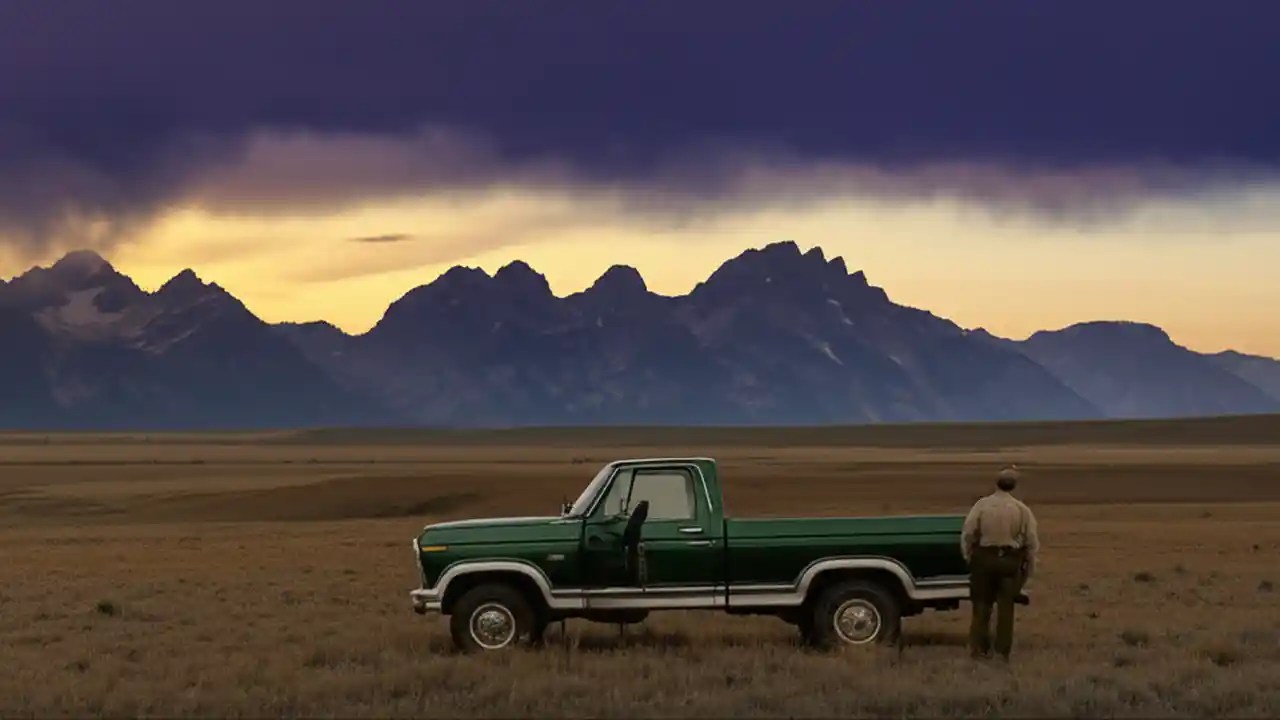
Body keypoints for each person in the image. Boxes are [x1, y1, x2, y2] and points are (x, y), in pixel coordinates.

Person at [961, 465, 1039, 660]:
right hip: (1009, 562)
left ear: (996, 483)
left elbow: (968, 533)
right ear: (1014, 486)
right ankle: (1002, 652)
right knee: (1006, 609)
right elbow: (1031, 541)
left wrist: (970, 556)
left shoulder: (982, 505)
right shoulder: (1021, 509)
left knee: (981, 606)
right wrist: (1028, 569)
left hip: (985, 559)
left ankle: (978, 650)